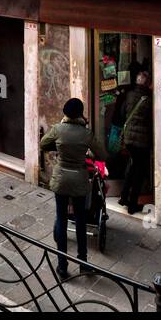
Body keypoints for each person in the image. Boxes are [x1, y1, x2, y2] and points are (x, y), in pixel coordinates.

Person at [40, 98, 108, 279]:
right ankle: (83, 264)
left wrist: (60, 145)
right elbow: (101, 154)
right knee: (80, 221)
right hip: (79, 181)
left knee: (61, 219)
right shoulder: (86, 133)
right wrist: (88, 152)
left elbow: (43, 144)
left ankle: (62, 266)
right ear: (80, 113)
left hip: (61, 180)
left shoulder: (58, 129)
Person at [118, 72, 153, 214]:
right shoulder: (149, 99)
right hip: (141, 141)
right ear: (148, 83)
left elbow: (122, 112)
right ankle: (132, 204)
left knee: (132, 167)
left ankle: (123, 197)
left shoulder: (129, 94)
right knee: (139, 171)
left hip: (128, 139)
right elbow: (151, 120)